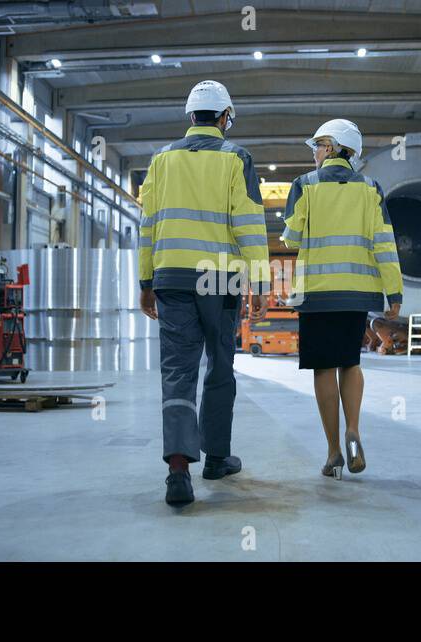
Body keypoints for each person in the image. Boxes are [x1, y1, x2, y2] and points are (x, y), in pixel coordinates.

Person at [138, 80, 270, 506]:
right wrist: (262, 284)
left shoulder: (161, 160)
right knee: (219, 366)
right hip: (220, 277)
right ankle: (216, 457)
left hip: (172, 276)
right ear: (226, 117)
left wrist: (145, 282)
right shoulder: (237, 157)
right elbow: (248, 224)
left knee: (177, 370)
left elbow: (148, 226)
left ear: (189, 116)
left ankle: (178, 468)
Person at [281, 119, 403, 479]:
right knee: (350, 363)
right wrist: (393, 294)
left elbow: (291, 238)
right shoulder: (370, 188)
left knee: (323, 368)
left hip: (317, 295)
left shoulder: (304, 185)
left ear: (334, 146)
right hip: (355, 295)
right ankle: (353, 430)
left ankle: (334, 451)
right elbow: (385, 244)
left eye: (318, 145)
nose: (315, 153)